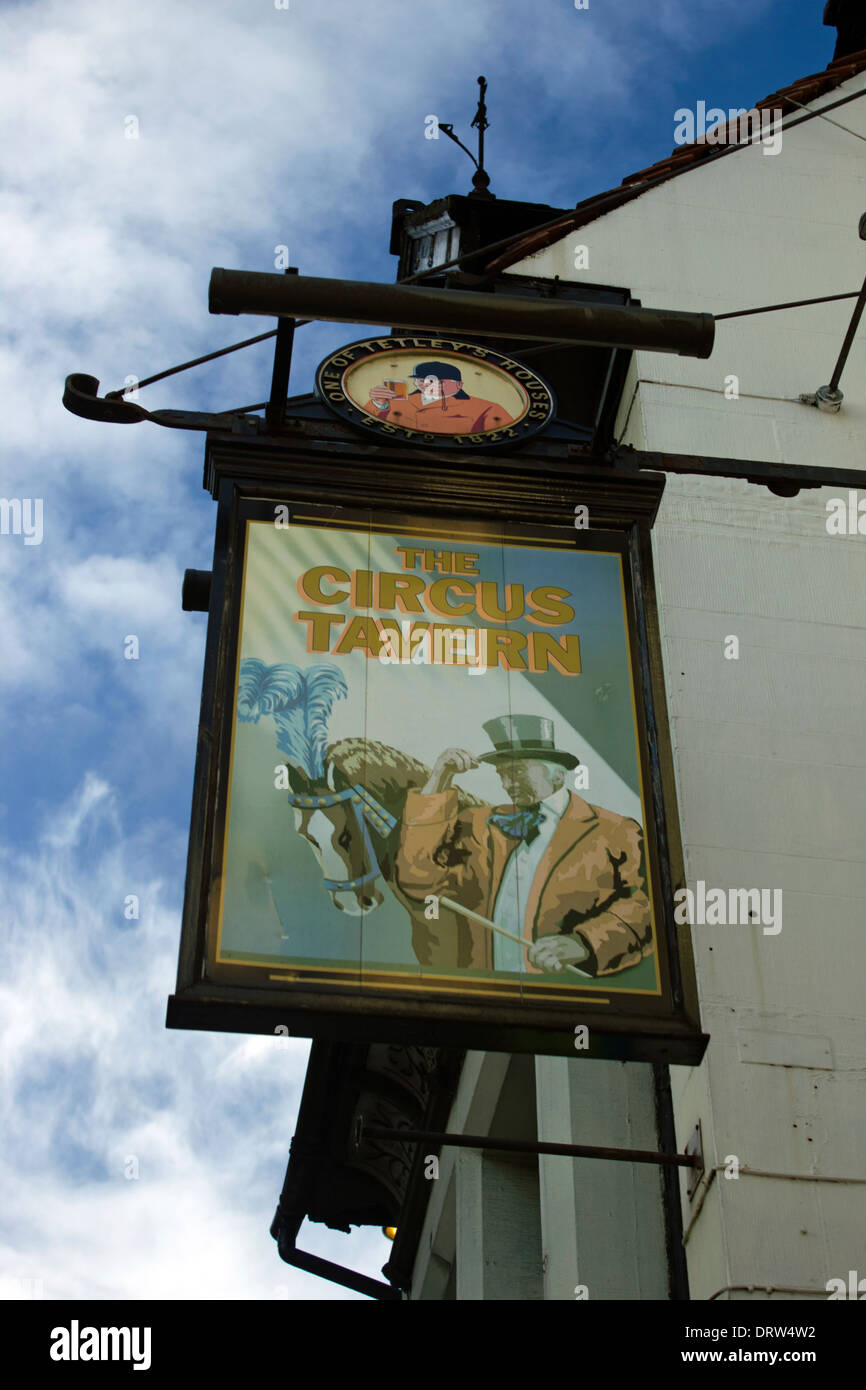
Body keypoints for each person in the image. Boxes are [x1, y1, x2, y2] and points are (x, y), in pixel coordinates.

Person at [396, 715, 653, 977]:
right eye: (502, 774)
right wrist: (440, 777)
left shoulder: (614, 831)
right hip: (488, 996)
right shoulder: (481, 824)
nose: (507, 785)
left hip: (562, 1001)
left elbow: (645, 908)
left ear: (558, 775)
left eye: (517, 772)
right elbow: (417, 879)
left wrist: (583, 944)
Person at [364, 360, 514, 434]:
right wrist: (379, 404)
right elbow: (365, 423)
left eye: (439, 381)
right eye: (421, 380)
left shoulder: (487, 408)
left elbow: (506, 434)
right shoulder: (395, 401)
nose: (427, 384)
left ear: (459, 385)